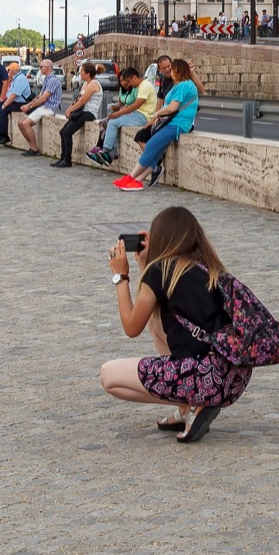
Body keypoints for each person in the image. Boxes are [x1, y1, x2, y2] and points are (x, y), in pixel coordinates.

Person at [98, 205, 245, 443]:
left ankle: (191, 401)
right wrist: (144, 265)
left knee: (109, 376)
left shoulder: (161, 271)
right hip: (230, 379)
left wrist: (121, 276)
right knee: (156, 322)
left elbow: (131, 327)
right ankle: (189, 407)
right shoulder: (207, 268)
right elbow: (156, 305)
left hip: (202, 378)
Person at [117, 57, 198, 191]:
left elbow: (172, 107)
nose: (169, 72)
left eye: (172, 69)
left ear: (177, 71)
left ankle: (131, 177)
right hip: (174, 123)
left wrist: (157, 114)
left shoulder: (184, 85)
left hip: (177, 124)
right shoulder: (181, 84)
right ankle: (137, 181)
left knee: (150, 147)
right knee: (156, 152)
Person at [89, 67, 157, 167]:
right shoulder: (140, 86)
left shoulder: (145, 86)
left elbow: (136, 105)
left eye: (129, 82)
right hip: (138, 114)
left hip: (143, 116)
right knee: (113, 122)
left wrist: (119, 114)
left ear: (134, 78)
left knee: (113, 122)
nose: (129, 85)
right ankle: (112, 153)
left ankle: (106, 151)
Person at [52, 62, 105, 167]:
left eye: (81, 72)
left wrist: (69, 110)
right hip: (82, 111)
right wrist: (71, 107)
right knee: (63, 131)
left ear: (87, 73)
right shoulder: (86, 84)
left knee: (67, 132)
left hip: (89, 112)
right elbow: (79, 98)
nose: (80, 74)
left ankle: (67, 160)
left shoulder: (94, 84)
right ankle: (62, 157)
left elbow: (83, 101)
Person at [13, 58, 64, 155]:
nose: (40, 69)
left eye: (41, 67)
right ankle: (31, 146)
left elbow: (43, 98)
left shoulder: (53, 80)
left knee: (25, 124)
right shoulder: (47, 79)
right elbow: (39, 96)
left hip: (49, 107)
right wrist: (29, 104)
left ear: (48, 68)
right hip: (42, 106)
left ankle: (34, 149)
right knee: (20, 122)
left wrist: (30, 106)